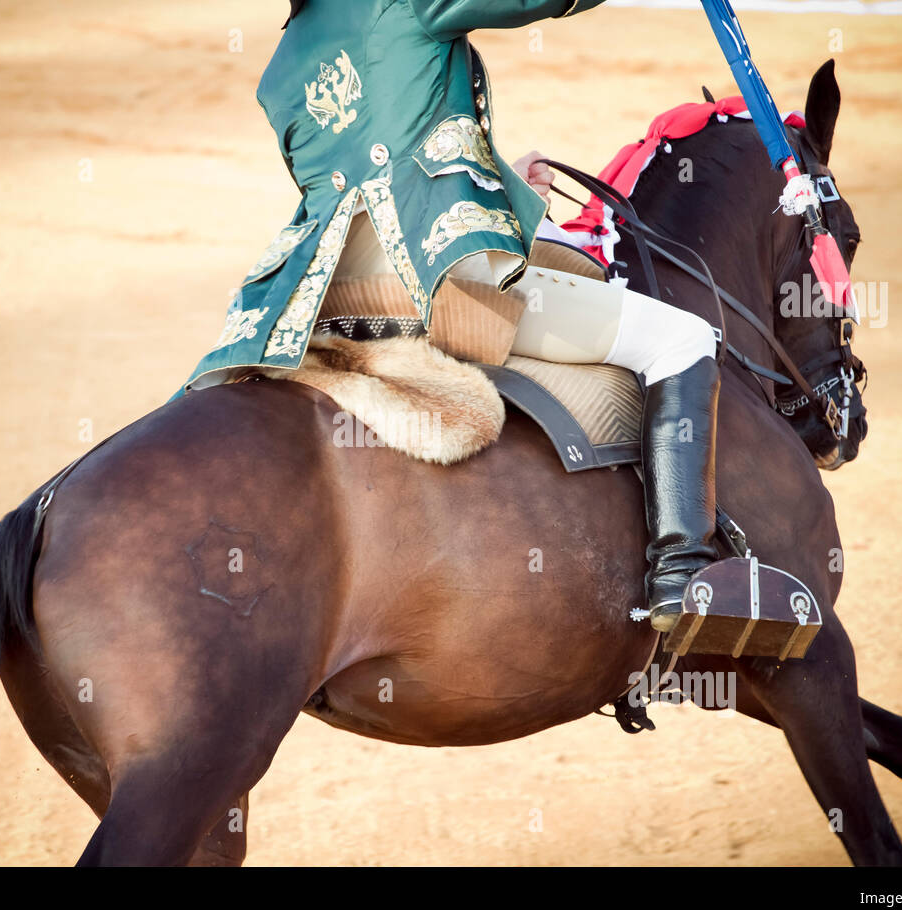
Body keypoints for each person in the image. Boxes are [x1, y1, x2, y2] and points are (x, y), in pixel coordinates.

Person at [176, 0, 719, 632]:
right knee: (680, 338)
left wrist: (502, 185)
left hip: (326, 304)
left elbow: (371, 164)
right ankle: (683, 573)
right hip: (437, 288)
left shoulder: (279, 69)